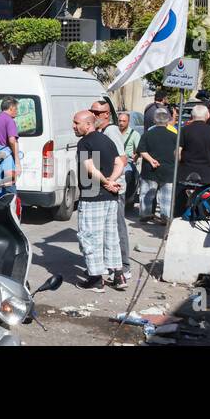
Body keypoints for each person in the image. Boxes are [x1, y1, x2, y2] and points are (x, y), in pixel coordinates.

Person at [73, 109, 125, 292]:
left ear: (88, 124)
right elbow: (120, 163)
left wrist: (105, 182)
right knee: (110, 236)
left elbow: (90, 169)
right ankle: (118, 275)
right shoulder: (106, 140)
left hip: (92, 195)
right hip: (110, 197)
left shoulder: (84, 143)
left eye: (77, 123)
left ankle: (95, 278)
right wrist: (112, 181)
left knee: (89, 237)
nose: (74, 126)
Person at [90, 100, 131, 276]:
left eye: (98, 113)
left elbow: (123, 160)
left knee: (117, 227)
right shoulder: (102, 131)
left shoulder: (111, 131)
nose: (94, 115)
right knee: (107, 229)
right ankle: (111, 264)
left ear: (107, 114)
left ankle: (124, 266)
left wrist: (109, 180)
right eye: (92, 111)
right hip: (106, 187)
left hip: (115, 189)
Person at [137, 109, 177, 223]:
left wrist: (151, 160)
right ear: (168, 121)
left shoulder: (147, 134)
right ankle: (165, 217)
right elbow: (177, 153)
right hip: (168, 169)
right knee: (166, 196)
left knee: (147, 193)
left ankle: (146, 214)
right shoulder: (174, 136)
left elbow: (141, 150)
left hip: (150, 169)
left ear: (154, 120)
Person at [179, 103, 210, 189]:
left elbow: (177, 152)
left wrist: (181, 162)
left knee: (184, 199)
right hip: (206, 172)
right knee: (204, 199)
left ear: (192, 116)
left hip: (186, 171)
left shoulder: (184, 130)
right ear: (207, 116)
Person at [0, 97, 22, 173]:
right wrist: (17, 161)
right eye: (16, 108)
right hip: (5, 159)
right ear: (11, 108)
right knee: (8, 183)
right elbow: (12, 141)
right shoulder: (9, 120)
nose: (17, 111)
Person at [119, 110, 141, 207]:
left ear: (128, 122)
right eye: (119, 121)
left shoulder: (134, 134)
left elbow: (139, 150)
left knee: (128, 173)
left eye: (124, 121)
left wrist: (135, 156)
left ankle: (128, 196)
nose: (121, 123)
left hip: (127, 161)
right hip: (115, 160)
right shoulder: (114, 132)